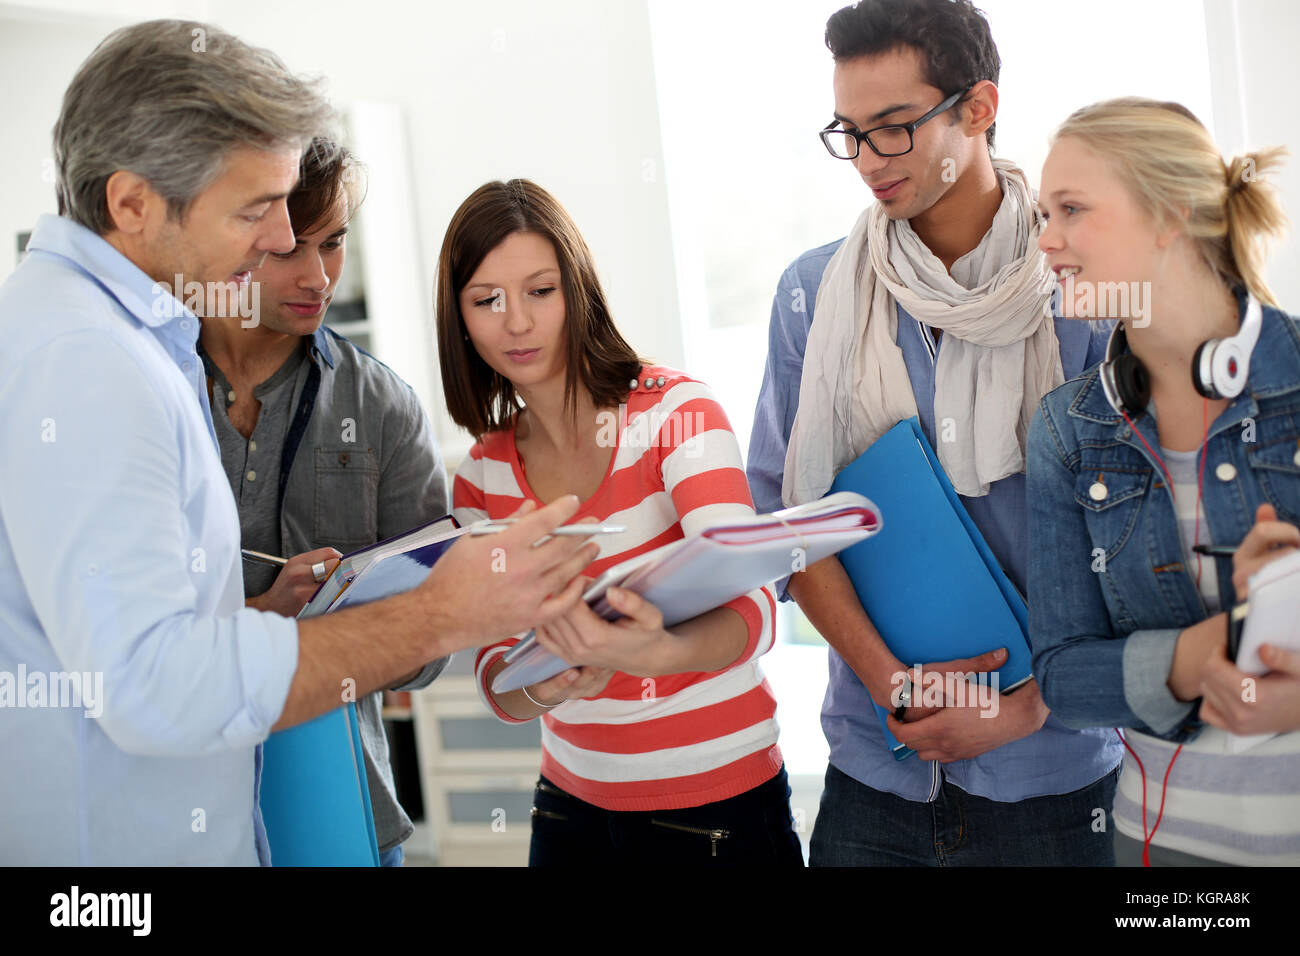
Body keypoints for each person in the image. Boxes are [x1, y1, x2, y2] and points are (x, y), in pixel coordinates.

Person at [0, 19, 594, 865]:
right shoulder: (89, 362)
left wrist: (250, 618)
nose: (285, 245)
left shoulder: (92, 336)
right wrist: (436, 613)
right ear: (131, 203)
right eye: (256, 209)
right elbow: (149, 686)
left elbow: (118, 637)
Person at [746, 0, 1122, 866]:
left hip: (1053, 779)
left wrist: (1027, 706)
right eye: (850, 132)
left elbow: (1137, 551)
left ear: (978, 108)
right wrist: (889, 682)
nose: (869, 161)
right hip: (876, 769)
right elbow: (788, 526)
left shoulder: (1087, 290)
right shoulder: (813, 296)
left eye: (895, 128)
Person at [438, 179, 801, 866]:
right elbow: (494, 672)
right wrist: (543, 685)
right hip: (570, 811)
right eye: (487, 300)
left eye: (540, 292)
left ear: (578, 291)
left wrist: (653, 655)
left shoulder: (677, 414)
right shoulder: (480, 474)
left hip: (713, 812)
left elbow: (754, 609)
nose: (516, 322)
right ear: (459, 319)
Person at [1028, 97, 1300, 866]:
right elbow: (1065, 679)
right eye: (1043, 215)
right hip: (1163, 850)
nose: (1046, 241)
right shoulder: (1068, 427)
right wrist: (1221, 643)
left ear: (1169, 215)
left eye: (1072, 210)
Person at [197, 138, 450, 867]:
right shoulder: (152, 393)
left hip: (341, 808)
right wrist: (260, 621)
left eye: (335, 242)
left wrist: (362, 615)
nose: (319, 276)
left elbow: (432, 646)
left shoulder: (383, 406)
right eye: (288, 250)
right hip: (180, 803)